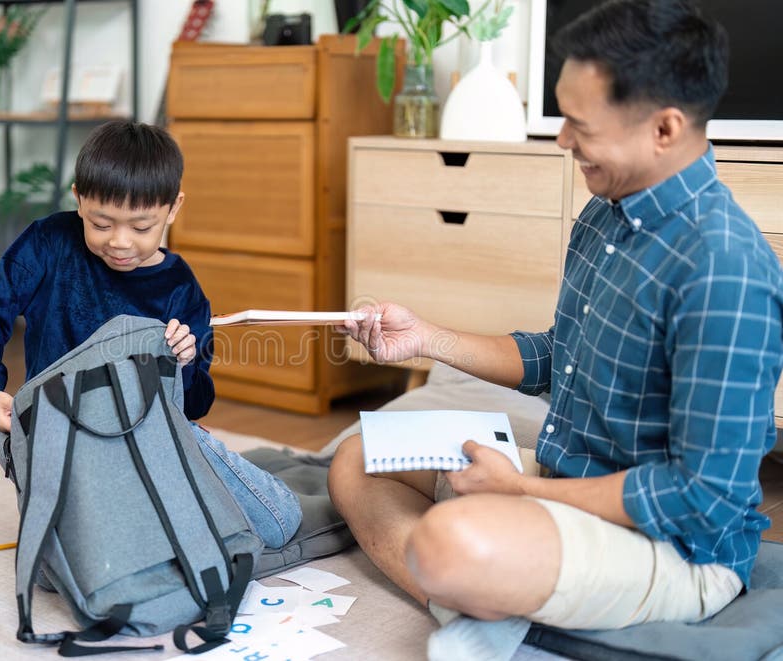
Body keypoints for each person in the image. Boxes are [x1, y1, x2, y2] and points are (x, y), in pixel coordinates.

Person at [331, 0, 783, 656]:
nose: (562, 140)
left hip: (673, 546)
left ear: (664, 128)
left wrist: (518, 490)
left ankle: (495, 609)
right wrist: (424, 337)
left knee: (446, 541)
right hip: (562, 478)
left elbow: (701, 496)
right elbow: (558, 356)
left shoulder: (725, 267)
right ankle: (493, 607)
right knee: (356, 458)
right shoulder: (607, 213)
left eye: (578, 124)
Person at [0, 120, 300, 549]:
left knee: (280, 520)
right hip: (63, 441)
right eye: (101, 224)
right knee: (73, 559)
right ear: (79, 198)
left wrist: (186, 362)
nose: (120, 242)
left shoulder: (180, 288)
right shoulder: (48, 243)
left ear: (172, 209)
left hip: (148, 442)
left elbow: (194, 404)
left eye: (141, 228)